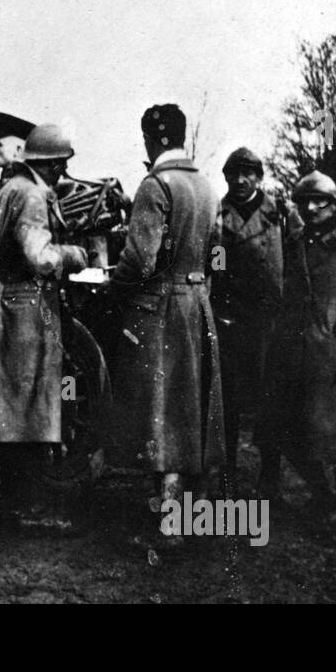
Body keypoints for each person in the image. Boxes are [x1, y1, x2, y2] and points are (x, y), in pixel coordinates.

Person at [108, 103, 224, 533]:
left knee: (161, 412)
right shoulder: (207, 187)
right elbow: (216, 254)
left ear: (151, 140)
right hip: (197, 306)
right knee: (187, 411)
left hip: (159, 309)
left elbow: (139, 260)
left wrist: (114, 291)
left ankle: (169, 524)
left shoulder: (155, 186)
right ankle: (182, 515)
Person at [0, 123, 88, 531]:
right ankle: (26, 507)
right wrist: (75, 256)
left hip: (10, 304)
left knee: (16, 404)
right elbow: (39, 257)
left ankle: (15, 502)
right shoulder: (31, 194)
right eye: (61, 164)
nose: (63, 171)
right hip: (27, 308)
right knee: (27, 405)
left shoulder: (9, 189)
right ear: (54, 163)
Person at [256, 171, 336, 515]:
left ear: (334, 204)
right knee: (283, 428)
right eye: (304, 201)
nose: (311, 208)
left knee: (329, 434)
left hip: (331, 357)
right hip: (290, 349)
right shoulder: (293, 242)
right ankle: (321, 491)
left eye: (319, 201)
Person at [210, 146, 297, 492]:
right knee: (227, 400)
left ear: (260, 178)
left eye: (248, 174)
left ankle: (270, 474)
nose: (240, 180)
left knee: (269, 400)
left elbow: (294, 259)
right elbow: (215, 262)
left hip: (268, 320)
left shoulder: (280, 213)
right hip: (232, 317)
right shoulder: (218, 214)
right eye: (233, 174)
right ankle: (227, 473)